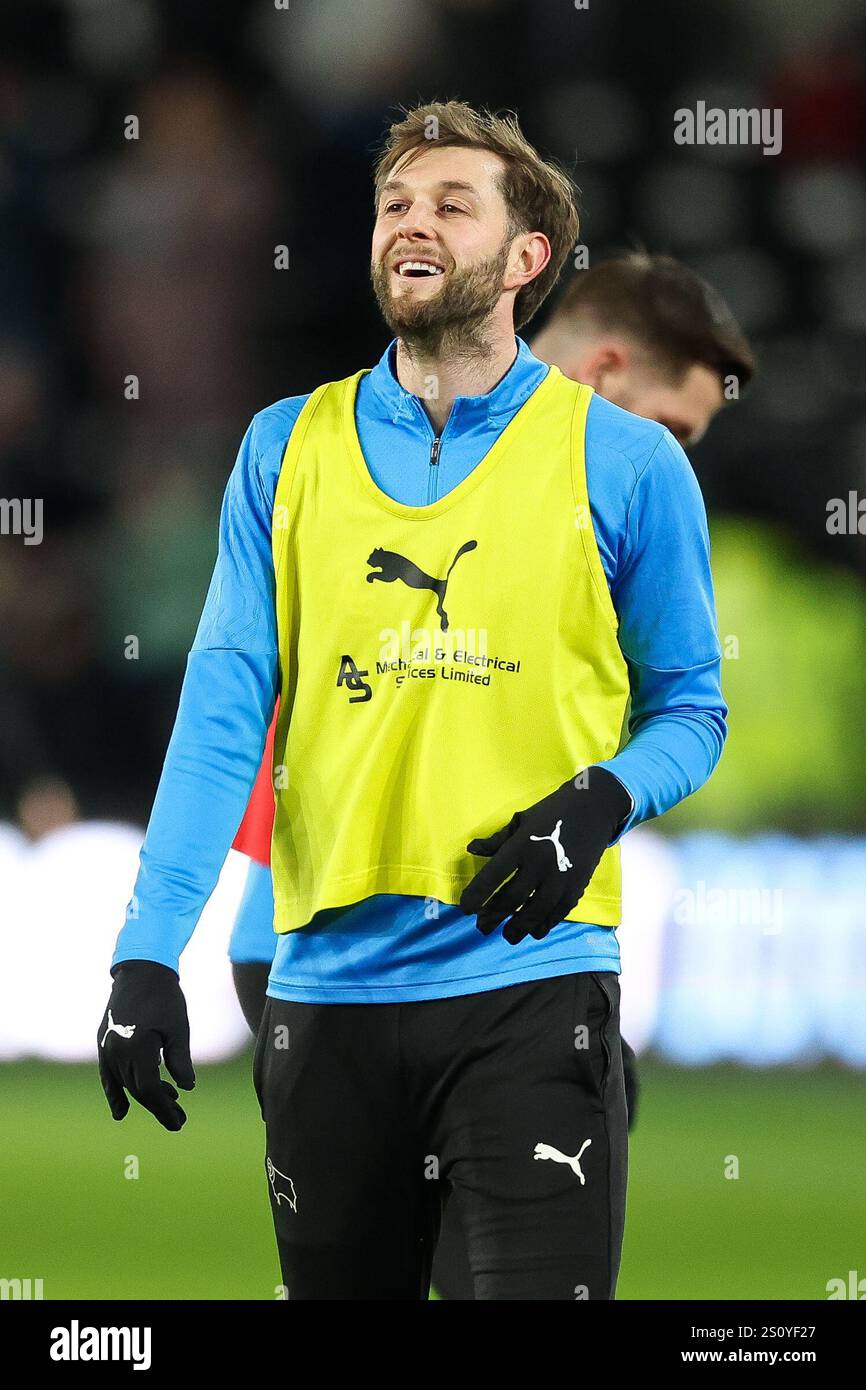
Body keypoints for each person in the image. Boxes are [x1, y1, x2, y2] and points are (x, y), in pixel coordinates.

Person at [98, 101, 729, 1301]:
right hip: (323, 994)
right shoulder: (282, 449)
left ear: (524, 256)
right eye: (394, 203)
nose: (410, 223)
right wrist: (145, 956)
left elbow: (689, 709)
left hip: (529, 987)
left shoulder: (626, 462)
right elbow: (222, 711)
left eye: (450, 203)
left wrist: (601, 796)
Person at [227, 248, 754, 1297]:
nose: (679, 458)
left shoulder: (396, 457)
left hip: (366, 952)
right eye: (677, 427)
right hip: (361, 957)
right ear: (606, 370)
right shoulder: (363, 458)